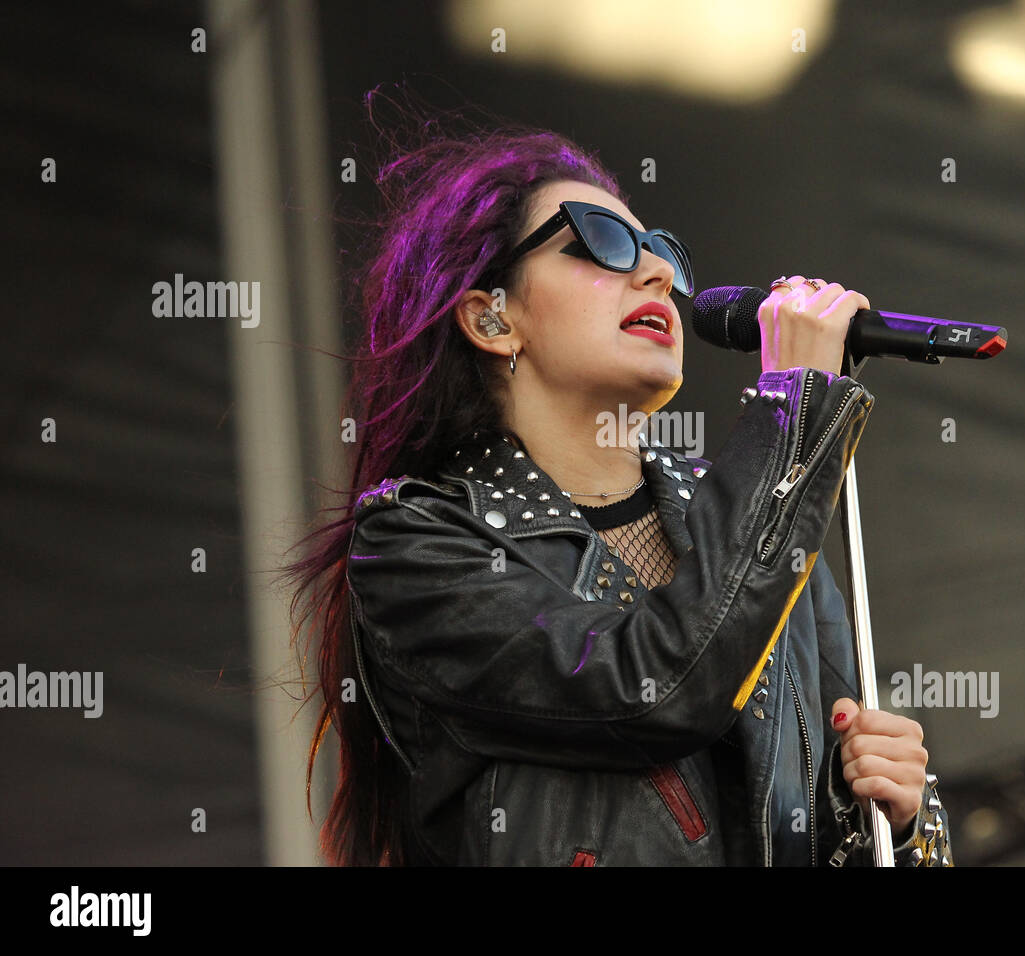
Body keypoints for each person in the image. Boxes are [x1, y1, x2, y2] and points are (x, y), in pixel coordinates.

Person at [280, 110, 954, 866]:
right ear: (491, 318)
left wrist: (887, 822)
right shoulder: (420, 548)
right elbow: (648, 689)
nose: (658, 273)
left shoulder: (756, 512)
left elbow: (816, 831)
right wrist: (792, 406)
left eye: (663, 251)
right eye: (599, 243)